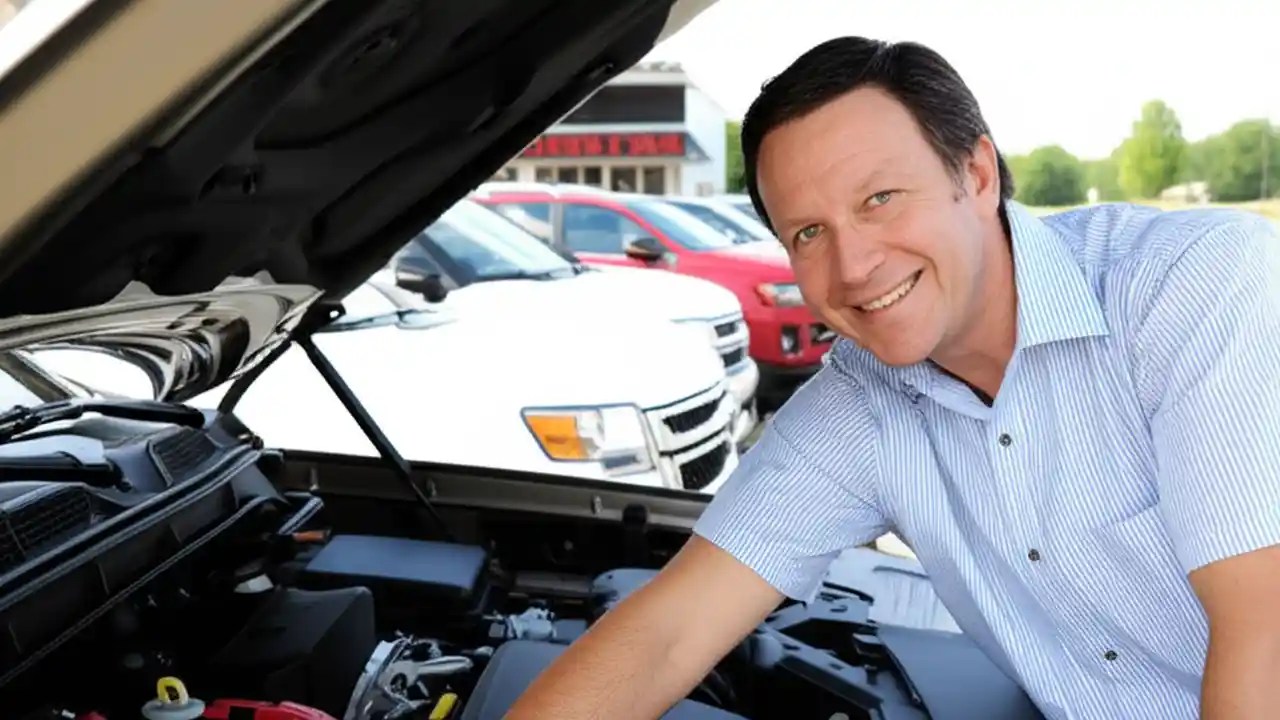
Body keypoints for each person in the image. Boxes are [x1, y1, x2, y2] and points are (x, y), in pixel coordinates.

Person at [506, 36, 1280, 720]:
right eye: (808, 233)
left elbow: (1266, 641)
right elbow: (665, 635)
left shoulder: (1192, 287)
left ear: (976, 175)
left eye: (879, 199)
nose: (852, 266)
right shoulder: (861, 404)